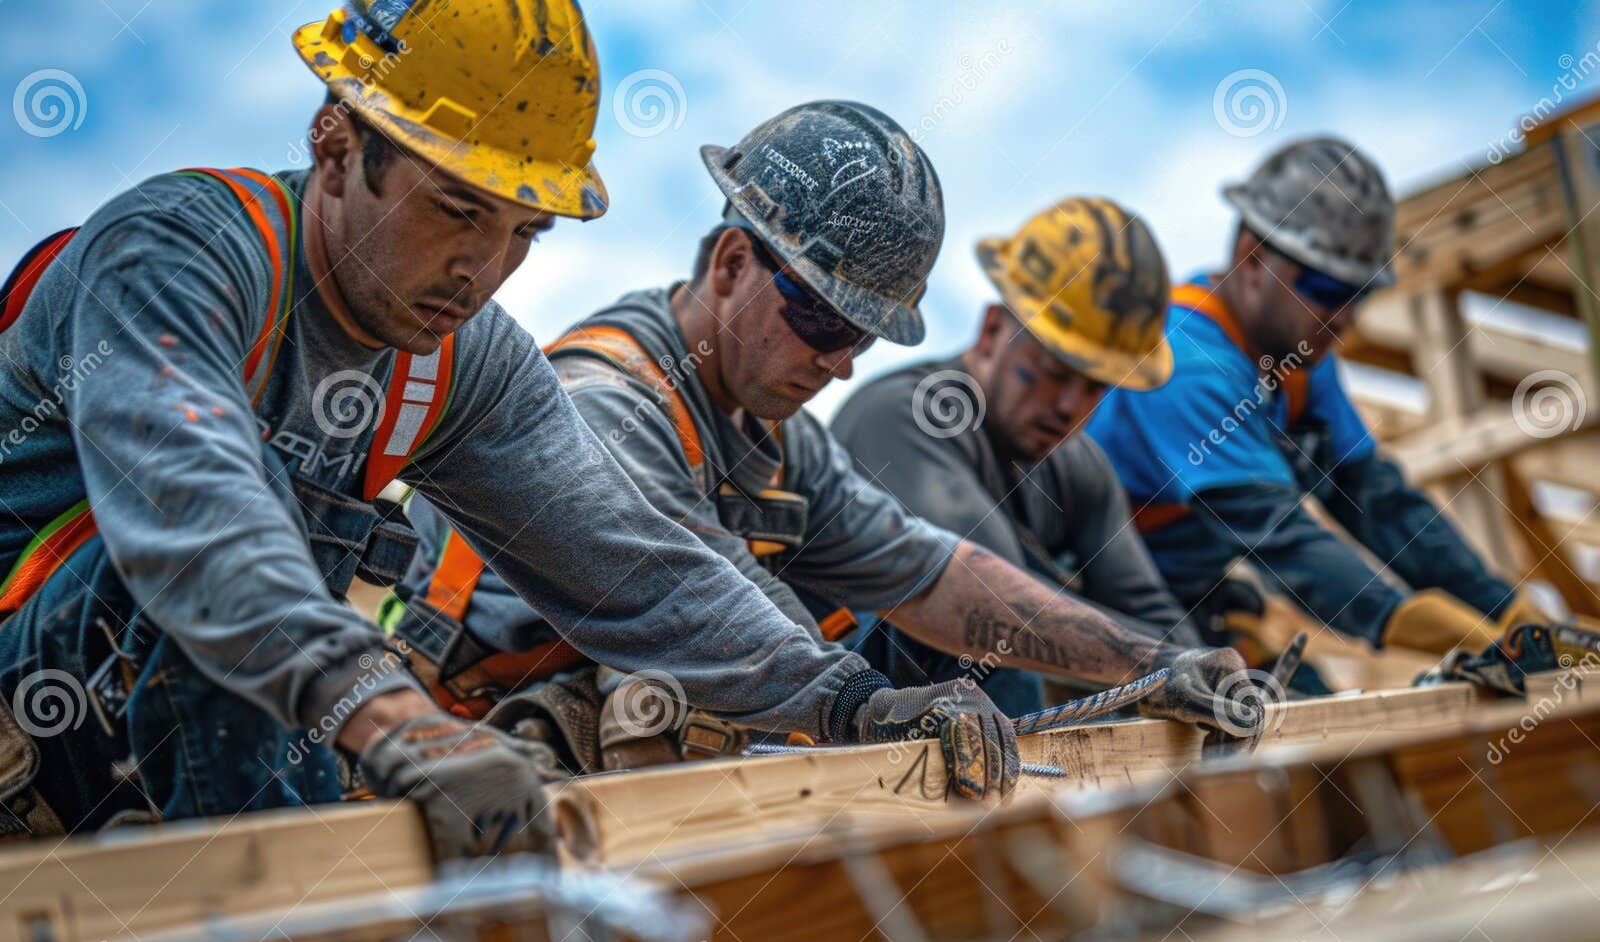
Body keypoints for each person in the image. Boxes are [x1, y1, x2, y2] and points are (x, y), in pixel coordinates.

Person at [0, 2, 1020, 855]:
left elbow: (636, 568)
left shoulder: (460, 354)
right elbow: (198, 513)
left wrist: (846, 699)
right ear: (335, 138)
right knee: (250, 523)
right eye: (454, 210)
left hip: (175, 735)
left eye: (522, 232)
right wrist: (397, 722)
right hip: (31, 710)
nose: (481, 270)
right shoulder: (175, 253)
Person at [390, 102, 1253, 775]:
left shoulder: (775, 433)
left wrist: (1155, 663)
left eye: (862, 339)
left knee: (938, 647)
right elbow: (698, 607)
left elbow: (931, 572)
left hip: (658, 707)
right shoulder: (610, 403)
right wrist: (862, 706)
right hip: (498, 734)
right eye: (819, 320)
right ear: (730, 264)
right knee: (673, 698)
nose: (839, 366)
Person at [1087, 136, 1555, 665]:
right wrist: (1406, 620)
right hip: (1082, 603)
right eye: (1327, 290)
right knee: (1245, 730)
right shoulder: (1184, 364)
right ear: (1253, 258)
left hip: (1181, 591)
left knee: (1296, 722)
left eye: (1360, 296)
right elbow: (1284, 541)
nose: (1345, 319)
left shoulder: (1300, 362)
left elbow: (1378, 501)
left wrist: (1505, 610)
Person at [833, 196, 1200, 715]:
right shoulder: (902, 417)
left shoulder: (1080, 468)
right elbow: (995, 601)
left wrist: (1199, 672)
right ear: (991, 332)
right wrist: (1157, 666)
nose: (1069, 405)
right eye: (1053, 371)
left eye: (1095, 386)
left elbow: (1151, 612)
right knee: (991, 650)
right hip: (839, 724)